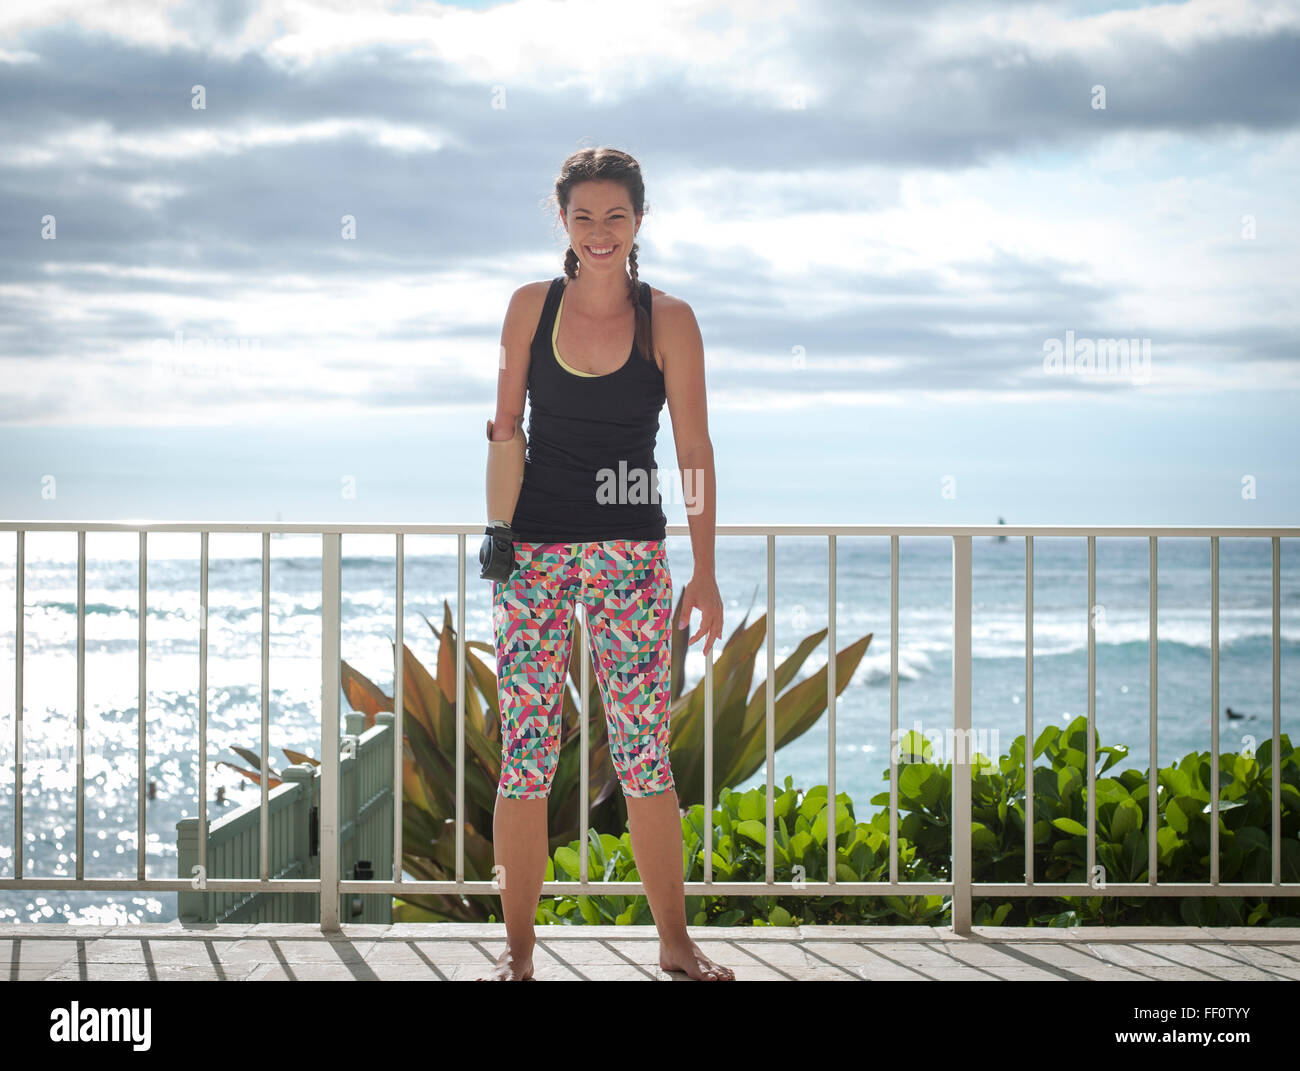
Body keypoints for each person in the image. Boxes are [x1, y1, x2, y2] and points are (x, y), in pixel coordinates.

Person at [480, 148, 732, 981]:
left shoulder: (671, 319)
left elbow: (693, 448)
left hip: (631, 557)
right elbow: (506, 431)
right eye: (583, 217)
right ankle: (517, 959)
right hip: (538, 556)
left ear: (639, 222)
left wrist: (704, 571)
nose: (599, 233)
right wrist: (497, 533)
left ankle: (675, 945)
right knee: (525, 755)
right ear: (562, 221)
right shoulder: (527, 309)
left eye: (615, 217)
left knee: (643, 757)